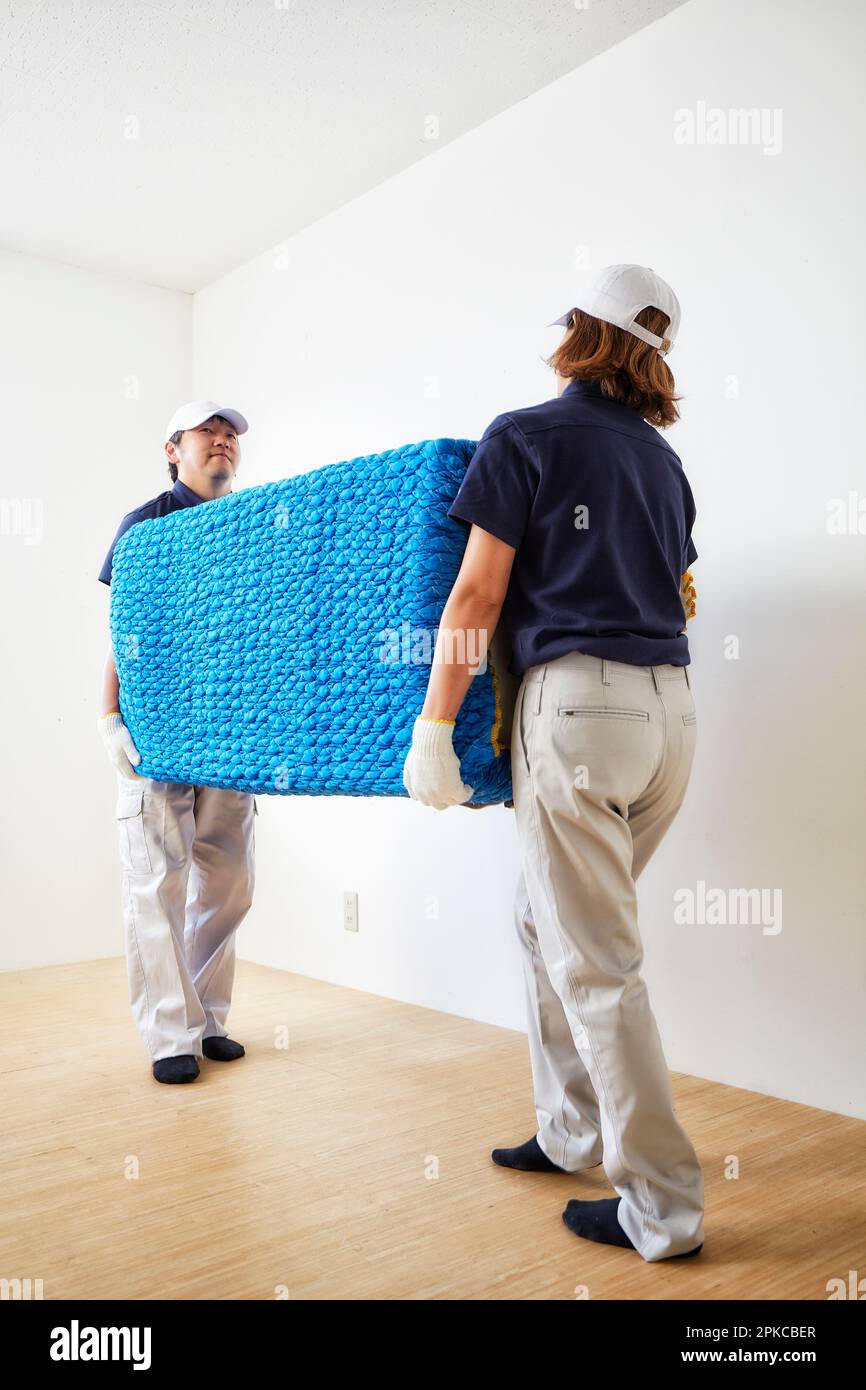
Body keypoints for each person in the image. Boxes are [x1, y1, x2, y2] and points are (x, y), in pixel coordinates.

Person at [402, 265, 704, 1261]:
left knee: (596, 964)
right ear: (649, 349)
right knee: (548, 923)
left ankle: (658, 1211)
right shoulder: (661, 463)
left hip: (577, 707)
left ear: (576, 330)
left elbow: (476, 596)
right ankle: (570, 1130)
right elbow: (678, 588)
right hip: (669, 715)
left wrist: (434, 726)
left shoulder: (522, 435)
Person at [97, 401, 258, 1086]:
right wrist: (110, 716)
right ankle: (170, 1033)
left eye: (230, 435)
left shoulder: (250, 524)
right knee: (157, 877)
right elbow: (120, 631)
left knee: (227, 880)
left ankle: (208, 1018)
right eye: (207, 432)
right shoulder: (145, 525)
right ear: (174, 450)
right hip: (160, 728)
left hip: (230, 726)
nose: (222, 440)